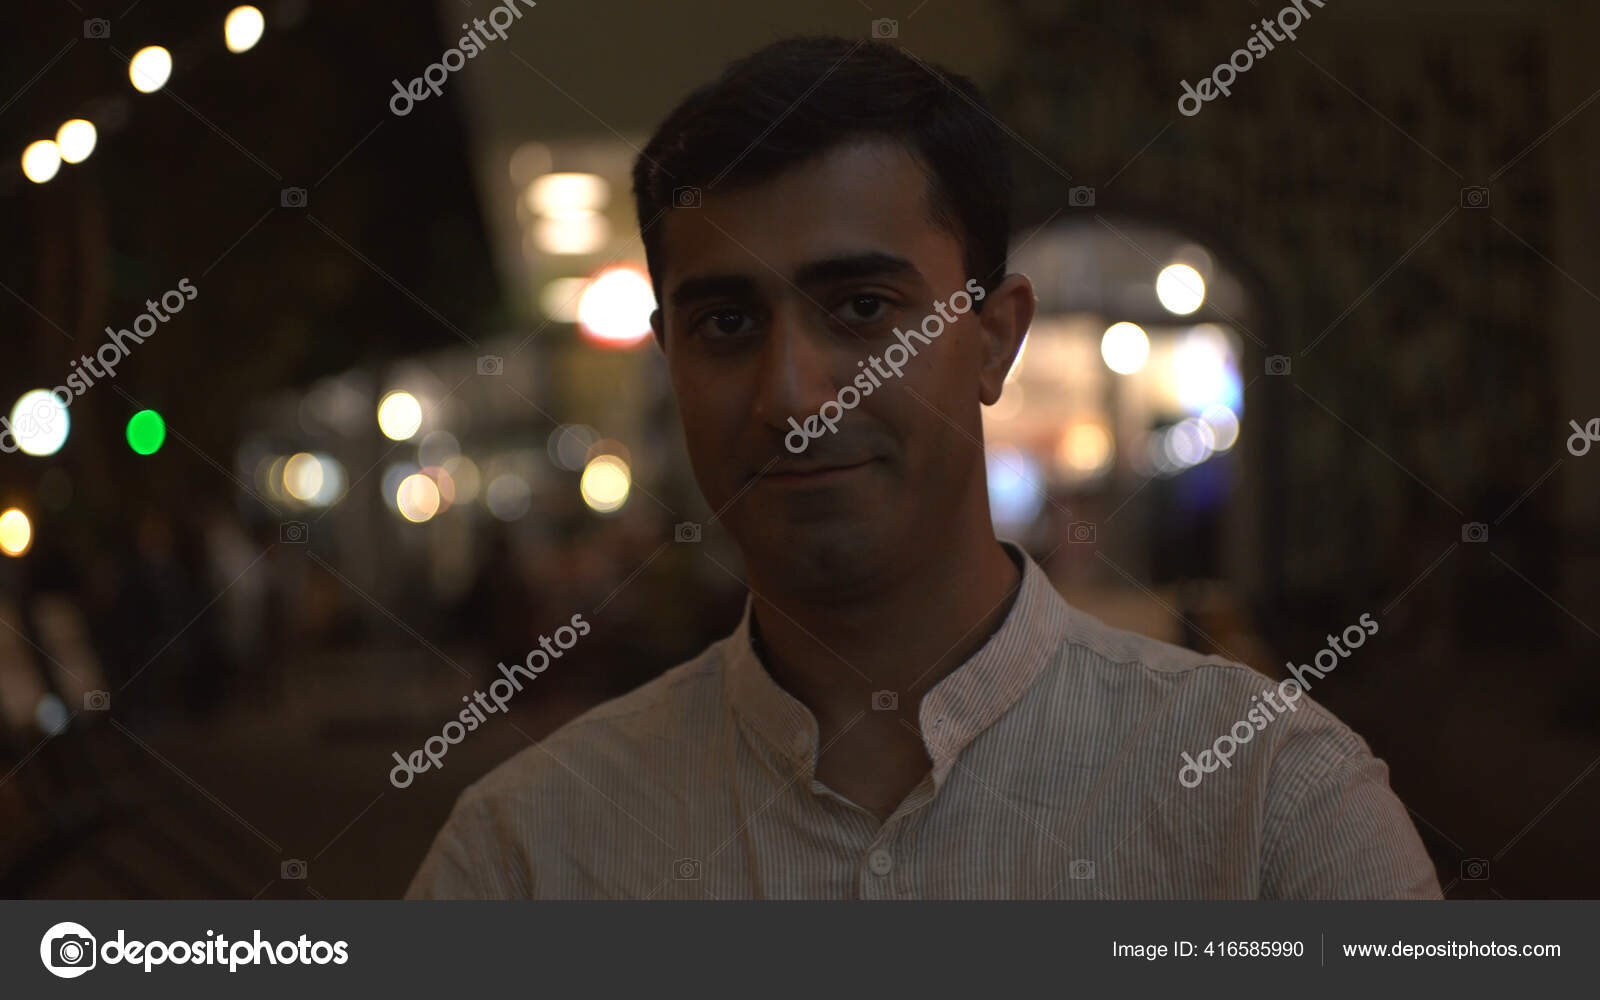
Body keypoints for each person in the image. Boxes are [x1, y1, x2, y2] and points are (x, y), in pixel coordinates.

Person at [406, 35, 1440, 899]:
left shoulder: (1272, 812)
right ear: (671, 355)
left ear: (993, 339)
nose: (792, 397)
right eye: (725, 323)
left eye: (861, 309)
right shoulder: (527, 858)